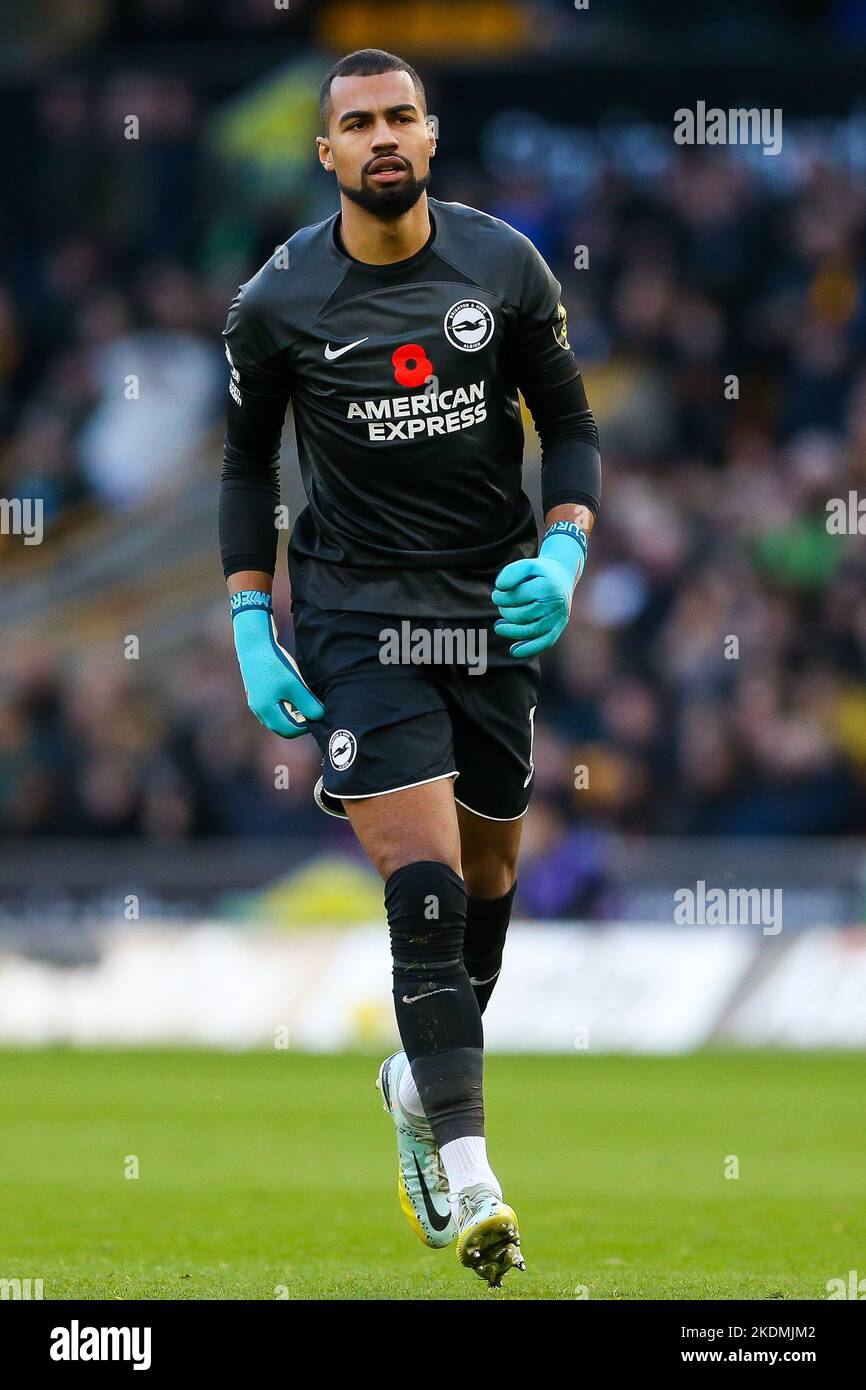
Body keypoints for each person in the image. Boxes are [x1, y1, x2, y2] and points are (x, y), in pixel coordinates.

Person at [219, 48, 601, 1287]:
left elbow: (573, 426)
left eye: (399, 117)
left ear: (430, 139)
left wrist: (562, 552)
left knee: (490, 868)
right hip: (352, 618)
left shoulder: (504, 267)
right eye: (355, 123)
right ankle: (474, 1174)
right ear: (324, 153)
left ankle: (412, 1080)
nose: (380, 137)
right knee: (426, 882)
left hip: (488, 611)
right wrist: (246, 619)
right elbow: (243, 470)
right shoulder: (274, 303)